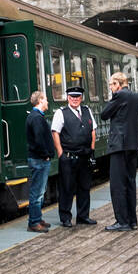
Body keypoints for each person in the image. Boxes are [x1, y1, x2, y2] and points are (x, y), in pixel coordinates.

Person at [101, 71, 138, 232]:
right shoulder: (135, 96)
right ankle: (132, 220)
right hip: (133, 145)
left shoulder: (119, 96)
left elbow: (104, 114)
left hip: (119, 146)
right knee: (130, 183)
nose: (111, 88)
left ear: (118, 84)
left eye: (111, 85)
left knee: (118, 185)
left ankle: (122, 221)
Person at [51, 84, 97, 228]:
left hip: (85, 156)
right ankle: (65, 217)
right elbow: (55, 132)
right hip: (69, 157)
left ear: (81, 98)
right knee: (67, 188)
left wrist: (92, 149)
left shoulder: (87, 110)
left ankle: (83, 216)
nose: (75, 99)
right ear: (67, 98)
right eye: (72, 97)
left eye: (77, 97)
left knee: (84, 187)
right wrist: (60, 153)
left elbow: (93, 130)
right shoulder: (61, 112)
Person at [25, 91, 55, 234]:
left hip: (38, 158)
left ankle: (37, 218)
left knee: (39, 192)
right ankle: (34, 222)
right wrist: (46, 155)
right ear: (40, 101)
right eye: (46, 99)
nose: (48, 102)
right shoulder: (36, 118)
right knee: (37, 192)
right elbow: (39, 139)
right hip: (39, 159)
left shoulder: (36, 116)